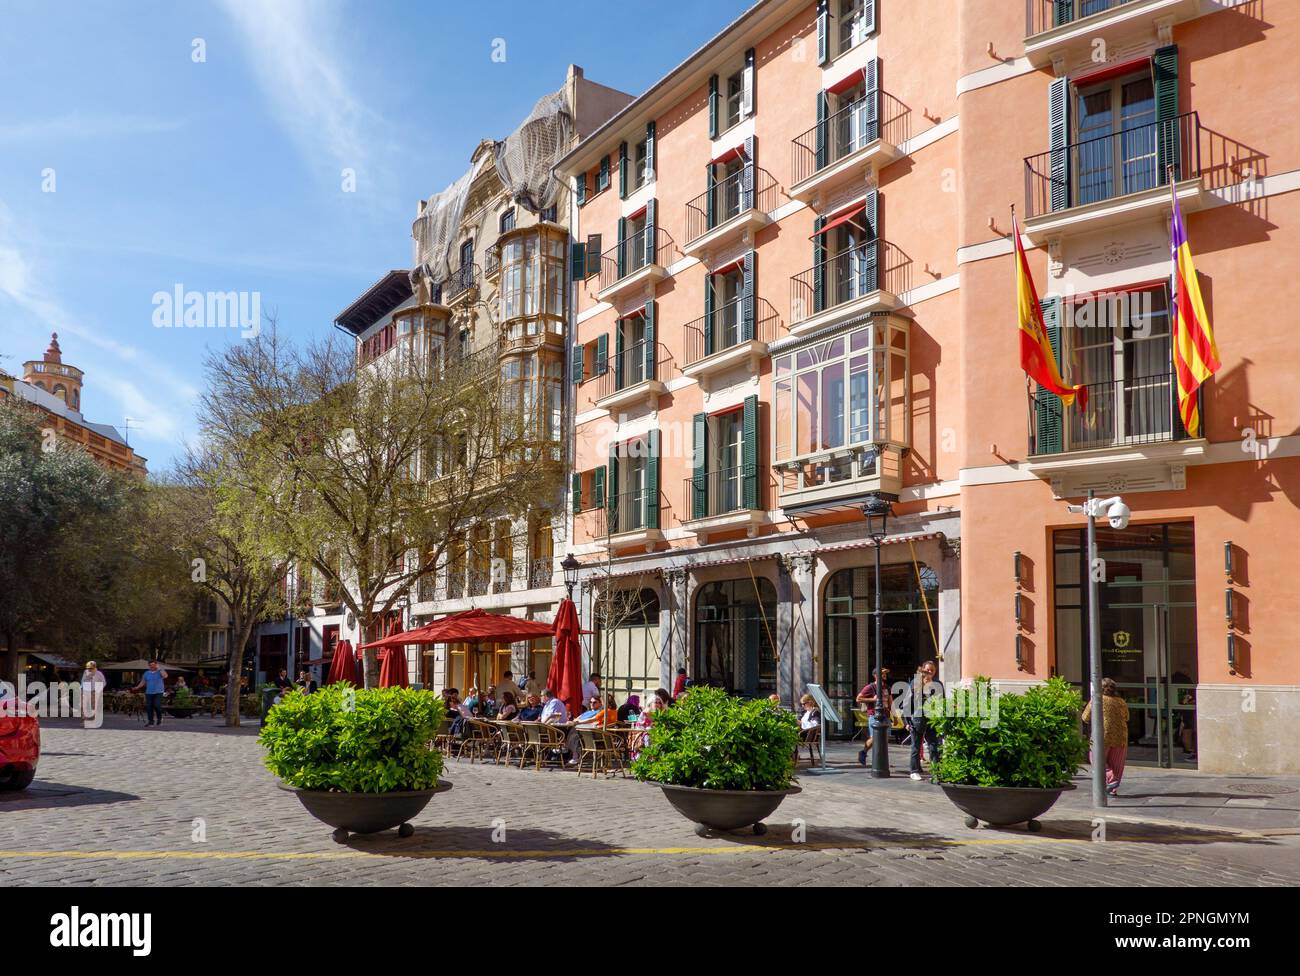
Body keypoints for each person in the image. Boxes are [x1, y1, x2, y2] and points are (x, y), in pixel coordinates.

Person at [1082, 678, 1130, 796]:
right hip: (1121, 736)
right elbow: (1127, 717)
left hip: (1102, 735)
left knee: (1096, 758)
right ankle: (1112, 789)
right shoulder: (1121, 701)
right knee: (1117, 763)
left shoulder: (1096, 700)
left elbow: (1085, 717)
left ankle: (1111, 778)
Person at [899, 660, 944, 781]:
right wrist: (907, 722)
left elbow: (941, 702)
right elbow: (907, 704)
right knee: (916, 746)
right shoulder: (915, 682)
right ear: (923, 670)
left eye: (932, 670)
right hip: (917, 719)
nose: (930, 672)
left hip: (932, 719)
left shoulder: (938, 684)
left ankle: (936, 772)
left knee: (934, 746)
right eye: (927, 669)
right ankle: (914, 770)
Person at [855, 668, 890, 765]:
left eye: (885, 673)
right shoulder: (870, 687)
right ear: (876, 675)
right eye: (882, 673)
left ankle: (881, 759)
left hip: (886, 715)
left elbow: (890, 701)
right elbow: (858, 698)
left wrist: (894, 716)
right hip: (874, 715)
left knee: (885, 739)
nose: (884, 675)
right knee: (875, 737)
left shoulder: (887, 687)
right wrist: (873, 700)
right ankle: (864, 752)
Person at [132, 661, 168, 727]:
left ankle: (159, 718)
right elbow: (143, 682)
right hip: (149, 692)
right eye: (150, 665)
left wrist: (159, 668)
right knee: (149, 707)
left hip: (159, 692)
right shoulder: (146, 673)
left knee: (157, 705)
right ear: (149, 666)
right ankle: (151, 722)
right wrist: (137, 687)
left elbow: (165, 676)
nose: (152, 666)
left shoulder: (160, 672)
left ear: (156, 665)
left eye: (153, 665)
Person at [80, 661, 106, 725]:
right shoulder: (85, 672)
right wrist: (82, 688)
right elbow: (82, 680)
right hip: (85, 691)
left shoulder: (99, 673)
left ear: (94, 667)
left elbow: (104, 682)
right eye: (88, 668)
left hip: (94, 692)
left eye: (91, 668)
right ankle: (84, 720)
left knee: (93, 707)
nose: (89, 669)